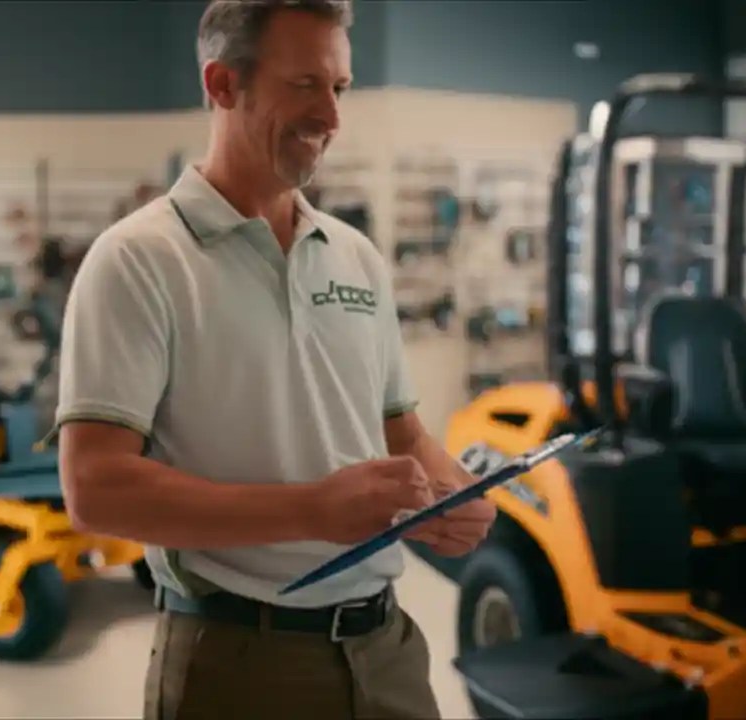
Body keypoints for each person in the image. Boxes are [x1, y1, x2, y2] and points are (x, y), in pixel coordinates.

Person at [52, 1, 497, 718]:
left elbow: (402, 432)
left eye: (340, 88)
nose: (332, 115)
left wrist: (447, 496)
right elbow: (95, 488)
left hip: (386, 650)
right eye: (305, 85)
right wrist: (314, 510)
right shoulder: (137, 261)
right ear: (223, 84)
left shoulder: (358, 257)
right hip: (237, 660)